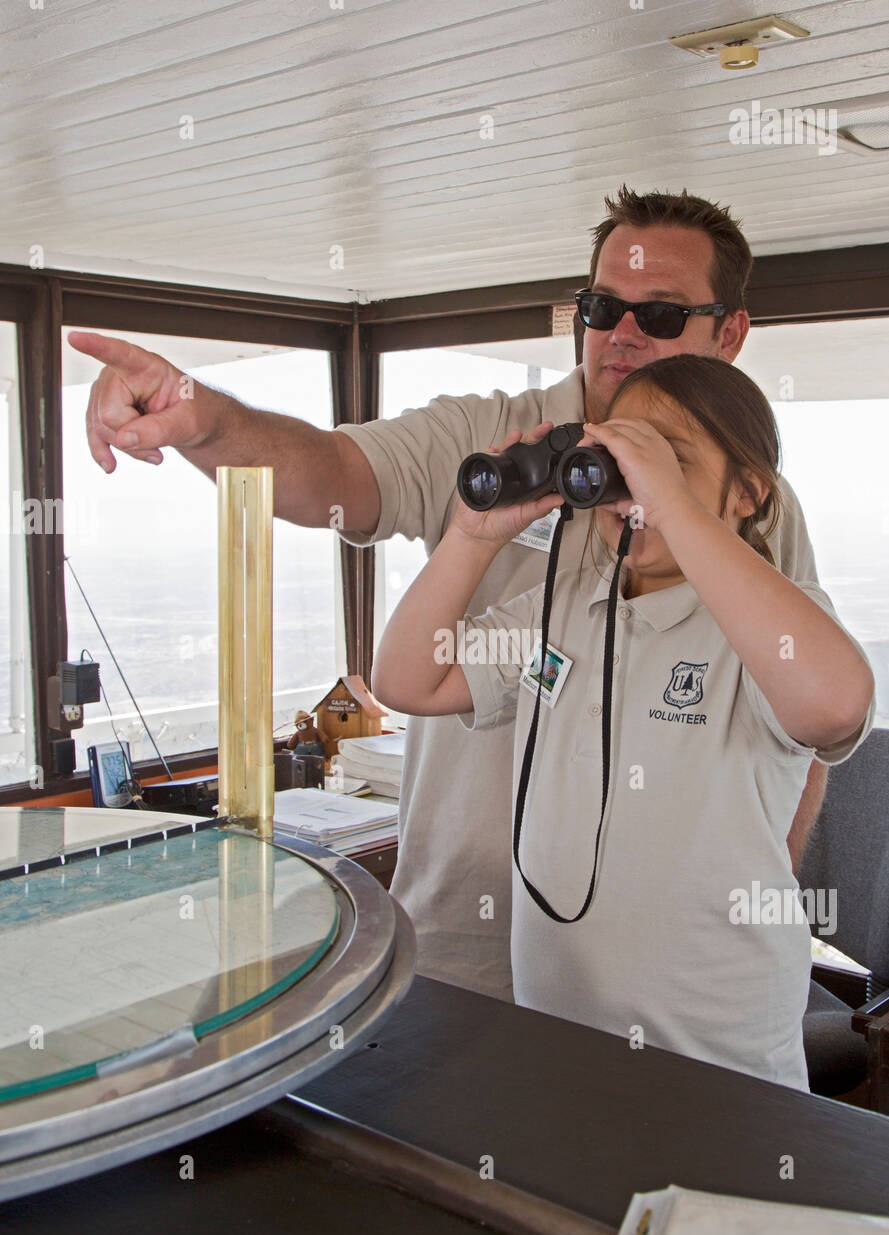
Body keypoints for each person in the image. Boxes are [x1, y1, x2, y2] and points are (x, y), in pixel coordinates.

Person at [71, 187, 828, 1003]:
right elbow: (329, 473)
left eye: (665, 314)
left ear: (732, 332)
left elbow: (812, 724)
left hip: (667, 982)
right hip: (464, 940)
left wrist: (738, 899)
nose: (625, 334)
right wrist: (202, 417)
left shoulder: (749, 505)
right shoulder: (497, 440)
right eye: (603, 306)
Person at [370, 355, 876, 1090]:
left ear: (749, 492)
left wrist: (672, 507)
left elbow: (835, 706)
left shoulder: (764, 628)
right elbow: (409, 678)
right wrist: (473, 537)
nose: (632, 481)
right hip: (558, 1044)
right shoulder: (561, 607)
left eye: (669, 460)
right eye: (619, 455)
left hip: (720, 1067)